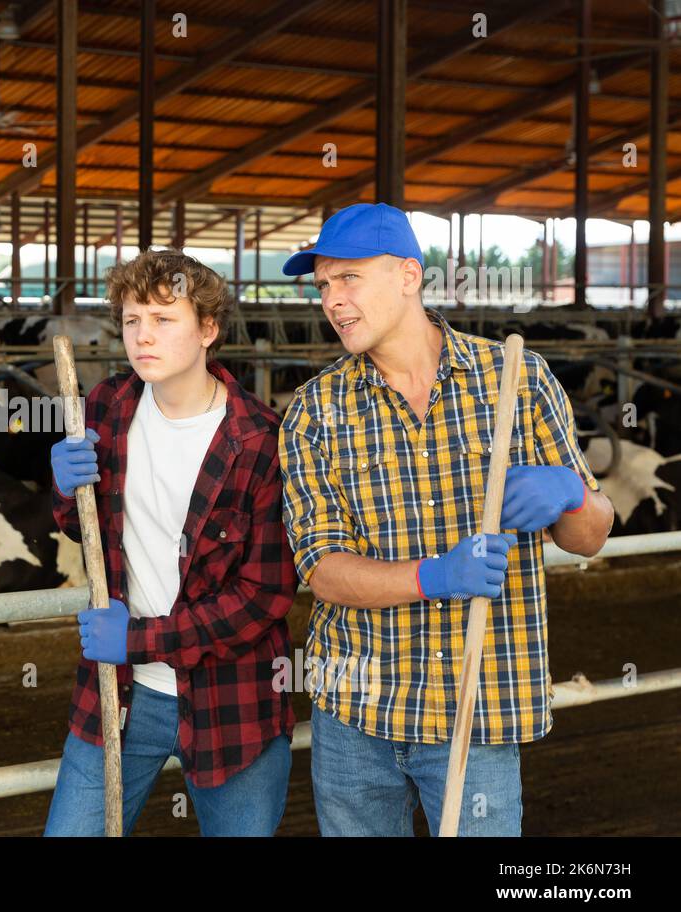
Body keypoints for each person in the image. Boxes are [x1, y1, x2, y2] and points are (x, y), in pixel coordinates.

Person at [277, 202, 613, 836]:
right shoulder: (313, 411)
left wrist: (570, 492)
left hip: (478, 705)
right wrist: (435, 576)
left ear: (408, 275)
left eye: (348, 278)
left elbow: (591, 537)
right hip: (355, 711)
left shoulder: (516, 379)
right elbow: (321, 570)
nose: (332, 300)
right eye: (322, 284)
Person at [43, 247, 297, 837]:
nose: (142, 337)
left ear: (208, 329)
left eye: (163, 319)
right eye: (132, 320)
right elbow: (80, 524)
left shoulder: (259, 440)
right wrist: (61, 490)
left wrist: (138, 638)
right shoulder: (106, 405)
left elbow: (264, 596)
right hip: (117, 694)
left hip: (232, 702)